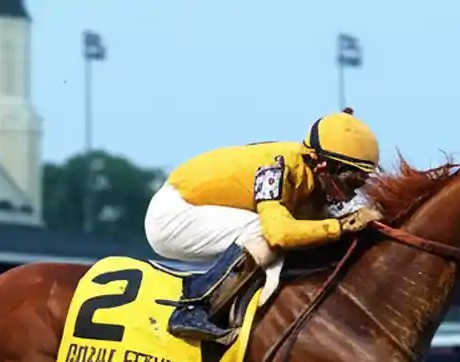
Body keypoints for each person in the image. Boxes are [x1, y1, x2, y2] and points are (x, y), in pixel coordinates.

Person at [144, 108, 384, 343]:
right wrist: (340, 226)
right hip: (172, 214)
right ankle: (195, 307)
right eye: (352, 180)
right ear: (321, 165)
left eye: (362, 182)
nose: (355, 192)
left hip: (197, 209)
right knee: (263, 233)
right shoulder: (276, 169)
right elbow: (278, 234)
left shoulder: (312, 174)